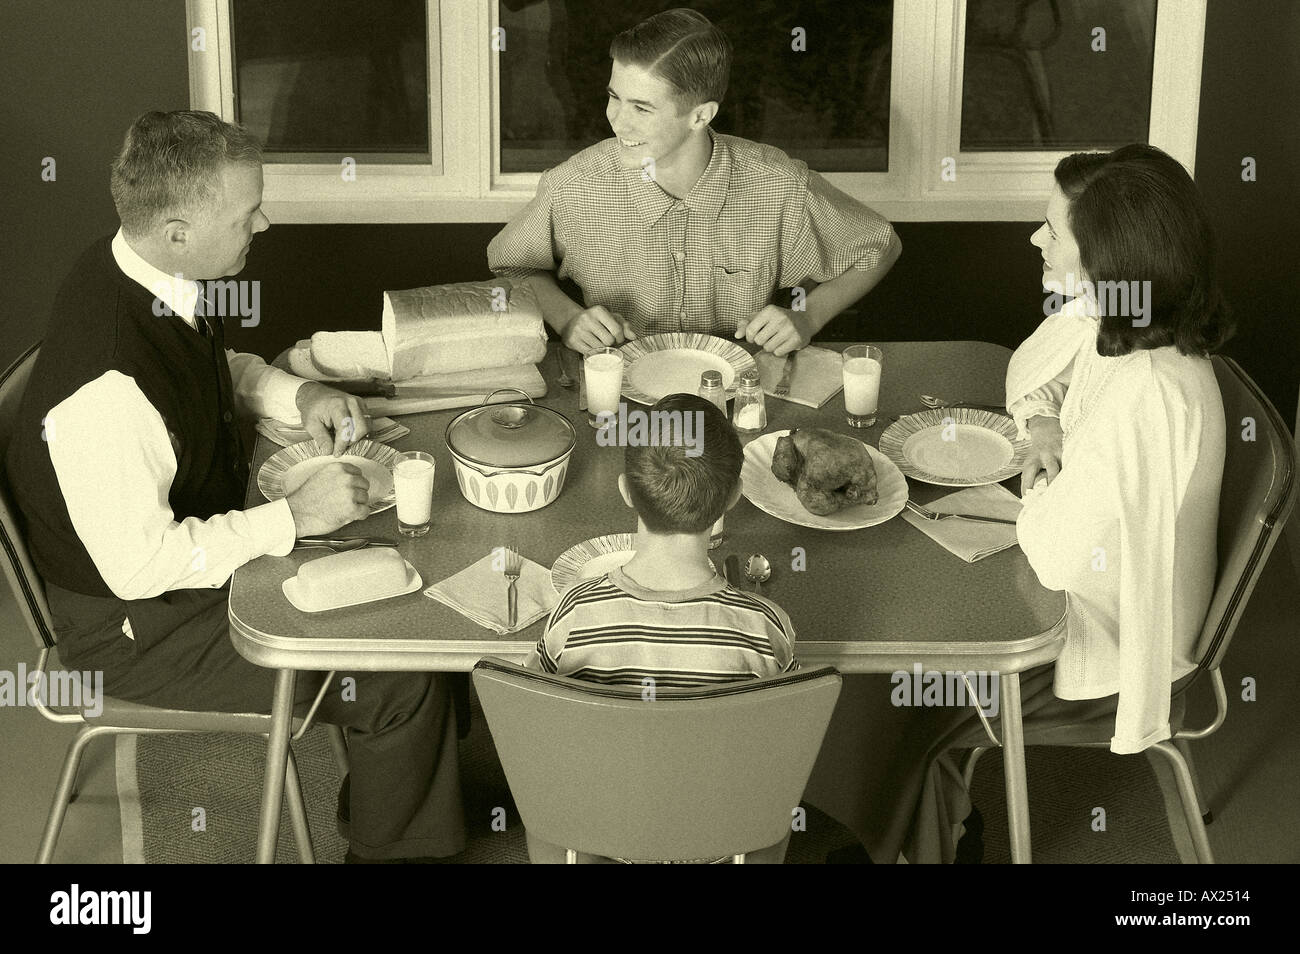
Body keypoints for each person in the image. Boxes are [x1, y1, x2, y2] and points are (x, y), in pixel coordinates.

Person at [5, 110, 465, 862]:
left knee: (404, 595)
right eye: (246, 211)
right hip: (136, 630)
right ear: (180, 230)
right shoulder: (107, 392)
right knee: (400, 666)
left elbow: (214, 368)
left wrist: (301, 398)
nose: (266, 222)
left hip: (173, 579)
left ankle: (401, 792)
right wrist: (290, 517)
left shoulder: (140, 267)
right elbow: (138, 566)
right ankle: (394, 848)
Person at [487, 7, 901, 357]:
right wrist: (567, 318)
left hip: (741, 401)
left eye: (641, 107)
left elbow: (880, 247)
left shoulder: (780, 185)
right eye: (614, 96)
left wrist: (808, 316)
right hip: (618, 401)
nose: (615, 119)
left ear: (700, 116)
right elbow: (515, 267)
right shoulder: (571, 187)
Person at [1003, 142, 1230, 753]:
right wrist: (1046, 427)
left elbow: (1052, 557)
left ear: (1107, 259)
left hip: (1113, 654)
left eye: (1053, 230)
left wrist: (1046, 487)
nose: (1035, 239)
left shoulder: (1147, 394)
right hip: (1097, 596)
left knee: (905, 683)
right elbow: (1035, 372)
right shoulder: (1125, 320)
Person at [522, 393, 798, 862]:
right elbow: (783, 737)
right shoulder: (764, 627)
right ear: (733, 496)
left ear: (626, 491)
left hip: (597, 833)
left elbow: (534, 709)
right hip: (722, 842)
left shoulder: (574, 613)